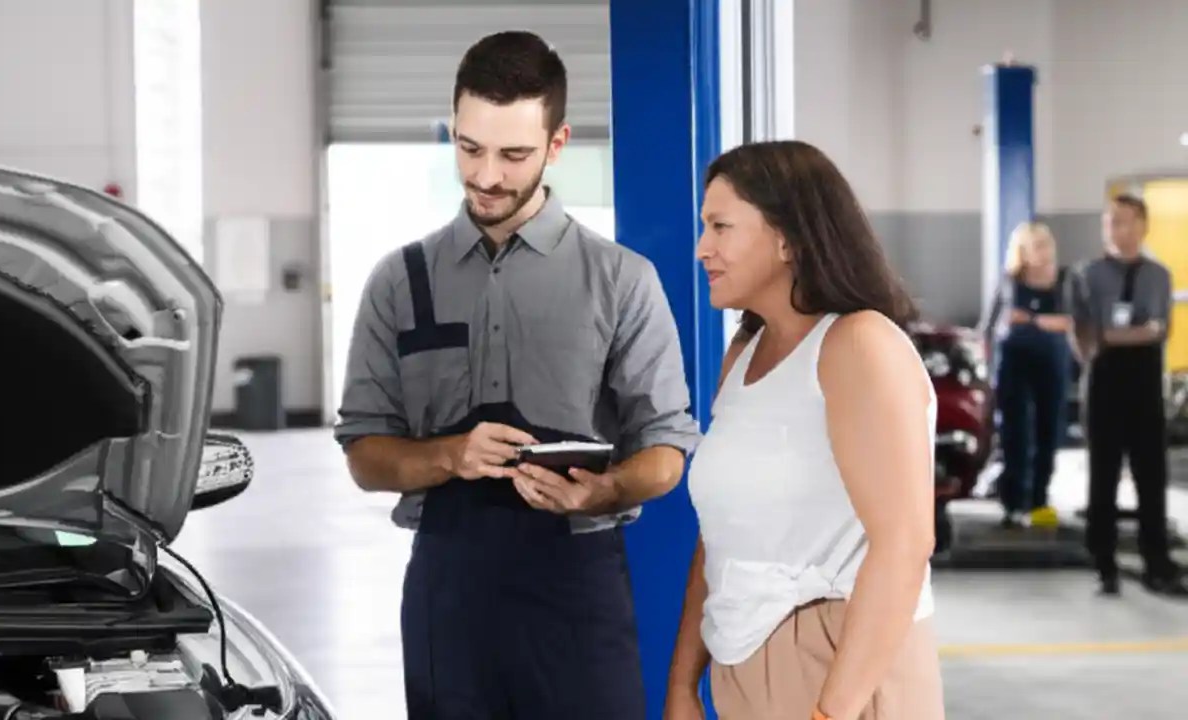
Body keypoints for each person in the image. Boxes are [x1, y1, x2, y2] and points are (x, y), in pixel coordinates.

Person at [334, 30, 701, 719]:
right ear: (453, 127)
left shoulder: (621, 281)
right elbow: (365, 457)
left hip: (577, 594)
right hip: (449, 599)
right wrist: (449, 454)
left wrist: (606, 489)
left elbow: (668, 452)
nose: (487, 175)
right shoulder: (399, 282)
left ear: (557, 144)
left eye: (514, 154)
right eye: (470, 148)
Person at [665, 141, 944, 720]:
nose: (702, 248)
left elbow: (904, 544)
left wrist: (830, 712)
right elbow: (720, 536)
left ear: (788, 238)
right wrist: (682, 685)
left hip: (838, 672)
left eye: (721, 227)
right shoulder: (743, 353)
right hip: (741, 663)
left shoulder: (859, 344)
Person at [1067, 194, 1187, 597]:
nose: (1120, 229)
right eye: (1113, 221)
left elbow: (1161, 330)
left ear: (1143, 225)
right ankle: (1104, 562)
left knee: (1151, 474)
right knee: (1103, 475)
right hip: (1104, 382)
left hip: (1146, 380)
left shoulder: (1159, 275)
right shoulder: (1086, 274)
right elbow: (1086, 335)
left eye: (1128, 221)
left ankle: (1157, 562)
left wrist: (1117, 335)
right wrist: (1125, 335)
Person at [987, 221, 1072, 529]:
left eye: (1045, 245)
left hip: (1051, 362)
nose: (1042, 252)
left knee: (1048, 431)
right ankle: (1013, 502)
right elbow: (993, 322)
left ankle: (1039, 498)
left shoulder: (1064, 280)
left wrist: (1033, 320)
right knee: (1015, 432)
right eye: (1035, 246)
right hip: (1013, 361)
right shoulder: (1010, 281)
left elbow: (1069, 321)